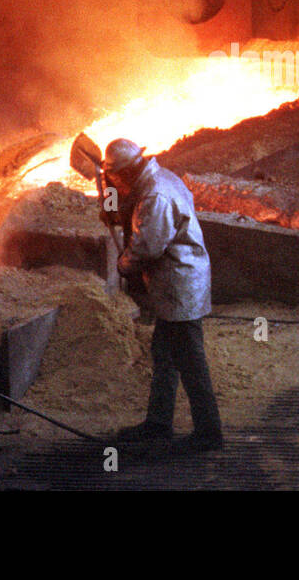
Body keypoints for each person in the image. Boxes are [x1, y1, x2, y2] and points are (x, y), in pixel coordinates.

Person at [102, 138, 223, 455]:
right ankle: (158, 425)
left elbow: (148, 246)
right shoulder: (158, 178)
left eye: (114, 177)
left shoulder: (156, 195)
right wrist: (115, 211)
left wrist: (123, 264)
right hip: (176, 285)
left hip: (181, 286)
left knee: (191, 361)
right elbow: (139, 213)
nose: (114, 183)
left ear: (125, 172)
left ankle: (209, 434)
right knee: (165, 355)